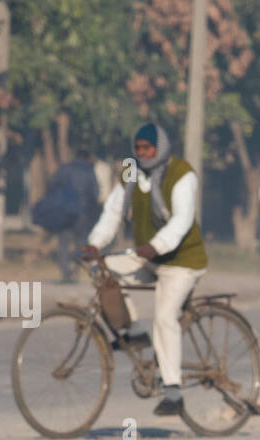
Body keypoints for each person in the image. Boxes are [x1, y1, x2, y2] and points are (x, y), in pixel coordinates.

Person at [83, 123, 208, 416]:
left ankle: (173, 392)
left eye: (147, 148)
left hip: (181, 262)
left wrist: (157, 245)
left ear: (160, 147)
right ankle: (134, 332)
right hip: (148, 256)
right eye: (137, 148)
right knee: (102, 269)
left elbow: (183, 219)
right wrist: (95, 244)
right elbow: (114, 210)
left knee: (164, 318)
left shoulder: (182, 174)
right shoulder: (131, 170)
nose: (142, 153)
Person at [45, 149, 100, 284]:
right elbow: (95, 193)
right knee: (80, 243)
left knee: (63, 243)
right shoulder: (89, 171)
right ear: (86, 158)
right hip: (82, 213)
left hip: (64, 211)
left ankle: (65, 273)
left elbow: (51, 186)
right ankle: (76, 270)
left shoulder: (63, 169)